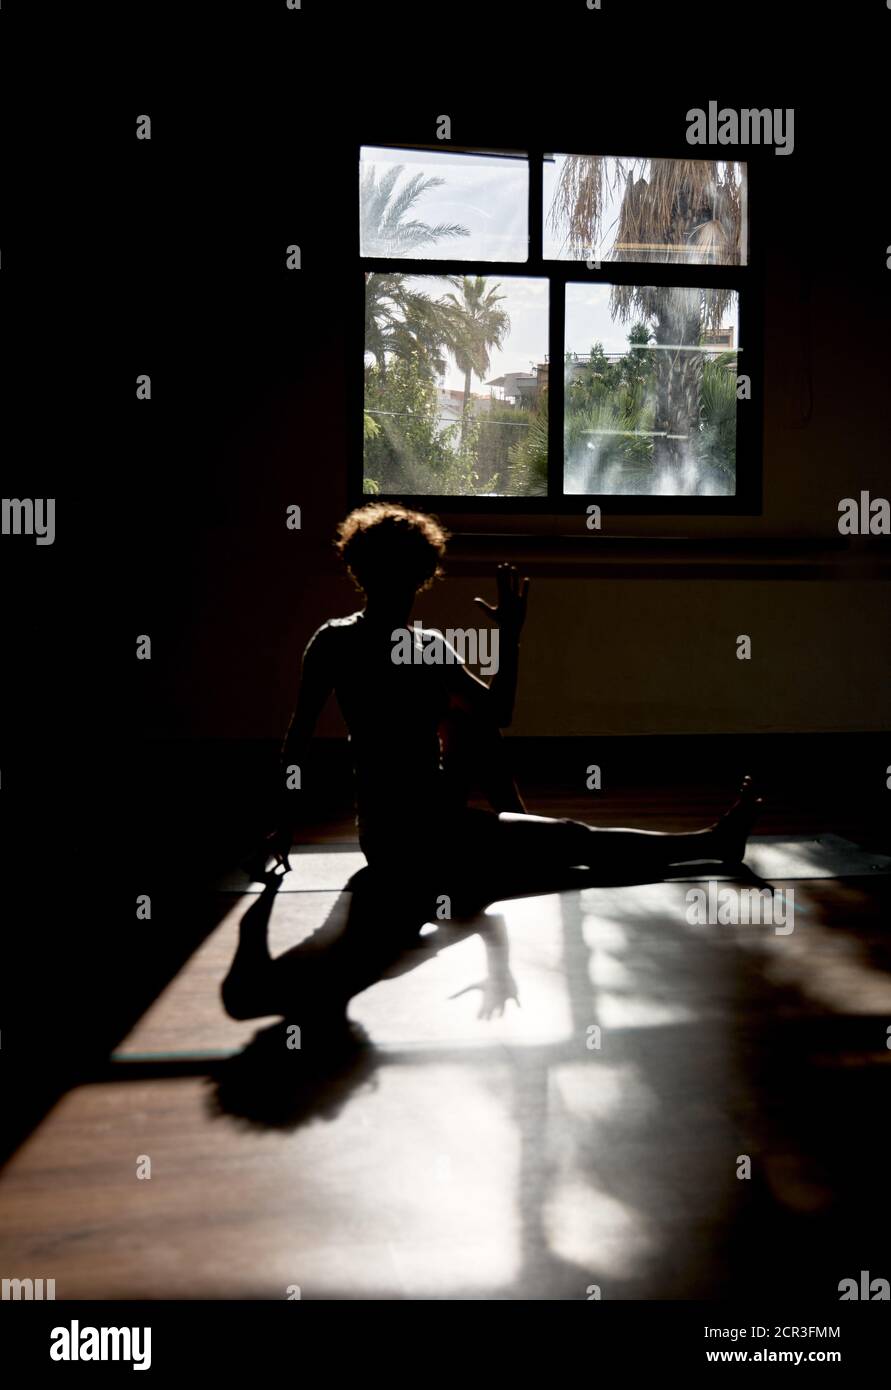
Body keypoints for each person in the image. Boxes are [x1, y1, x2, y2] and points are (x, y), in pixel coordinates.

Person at [259, 502, 762, 895]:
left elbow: (495, 715)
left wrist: (510, 639)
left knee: (474, 729)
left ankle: (524, 829)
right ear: (393, 575)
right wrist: (281, 824)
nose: (404, 583)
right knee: (572, 839)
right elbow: (297, 742)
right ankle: (710, 844)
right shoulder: (367, 644)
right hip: (410, 840)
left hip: (414, 827)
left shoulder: (387, 644)